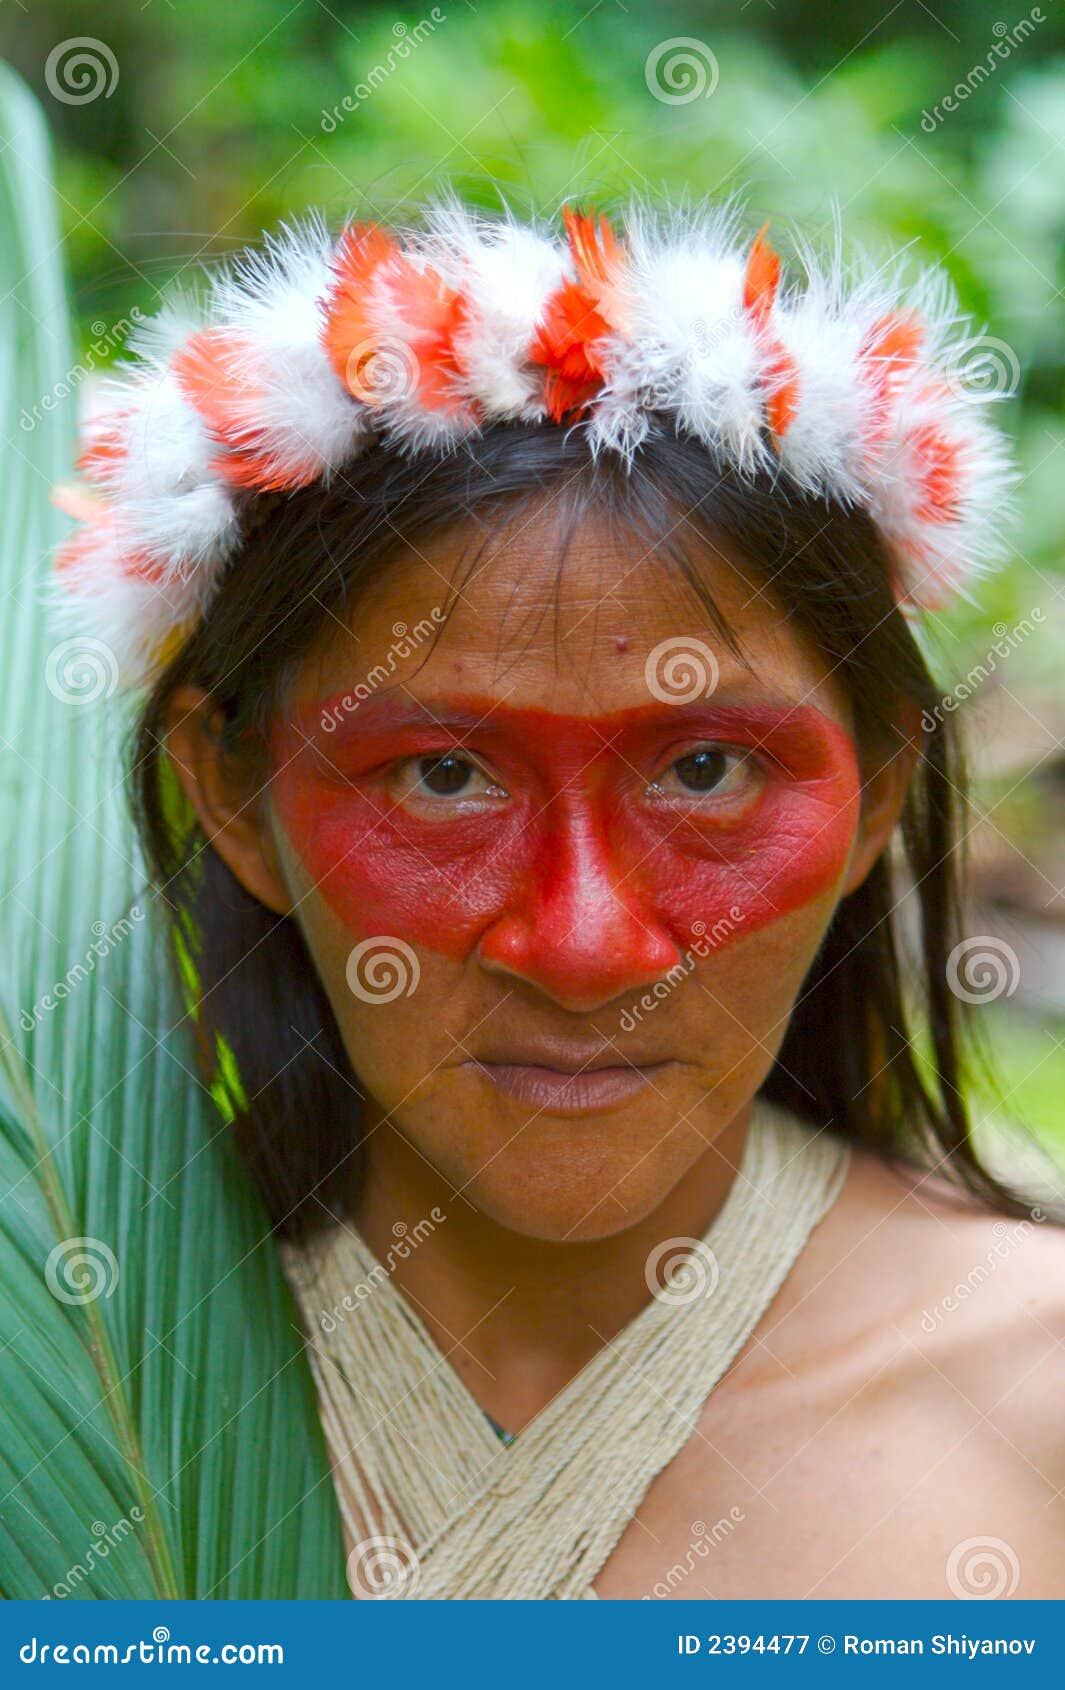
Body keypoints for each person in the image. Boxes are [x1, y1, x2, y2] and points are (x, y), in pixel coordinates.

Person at [54, 198, 1064, 1599]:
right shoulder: (63, 1393)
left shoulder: (1034, 1402)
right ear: (234, 795)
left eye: (705, 769)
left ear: (879, 788)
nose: (587, 946)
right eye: (443, 776)